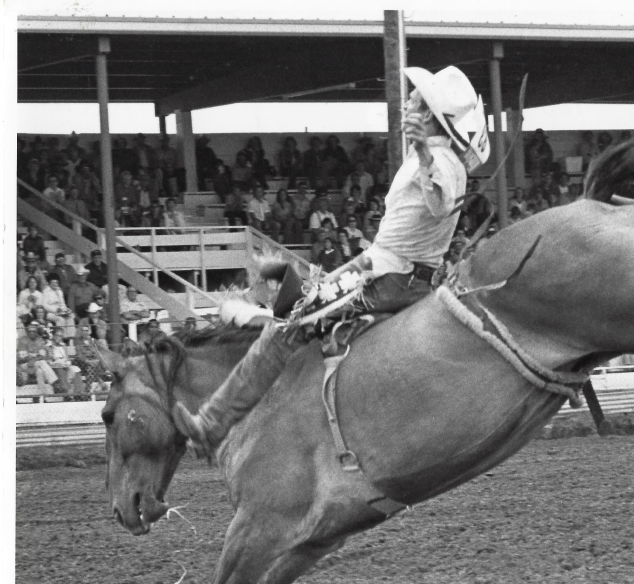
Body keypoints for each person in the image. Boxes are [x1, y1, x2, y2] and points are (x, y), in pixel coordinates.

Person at [174, 64, 489, 458]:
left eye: (416, 96)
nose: (407, 98)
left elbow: (440, 204)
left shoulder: (444, 162)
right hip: (388, 268)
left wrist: (424, 150)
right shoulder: (442, 158)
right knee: (292, 309)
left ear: (428, 113)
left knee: (284, 330)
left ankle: (211, 425)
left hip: (389, 274)